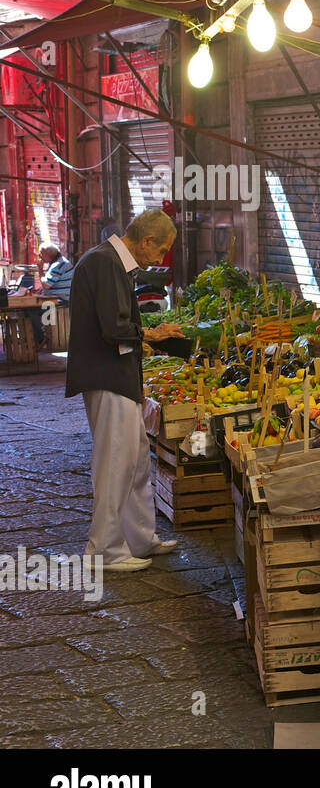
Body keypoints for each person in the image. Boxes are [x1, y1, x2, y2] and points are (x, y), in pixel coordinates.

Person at [66, 209, 185, 572]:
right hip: (107, 376)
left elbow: (118, 322)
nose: (161, 258)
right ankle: (103, 550)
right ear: (146, 240)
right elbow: (114, 328)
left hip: (119, 375)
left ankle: (138, 537)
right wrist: (151, 334)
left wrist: (148, 333)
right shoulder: (105, 263)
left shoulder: (110, 261)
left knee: (133, 459)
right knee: (114, 462)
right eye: (161, 249)